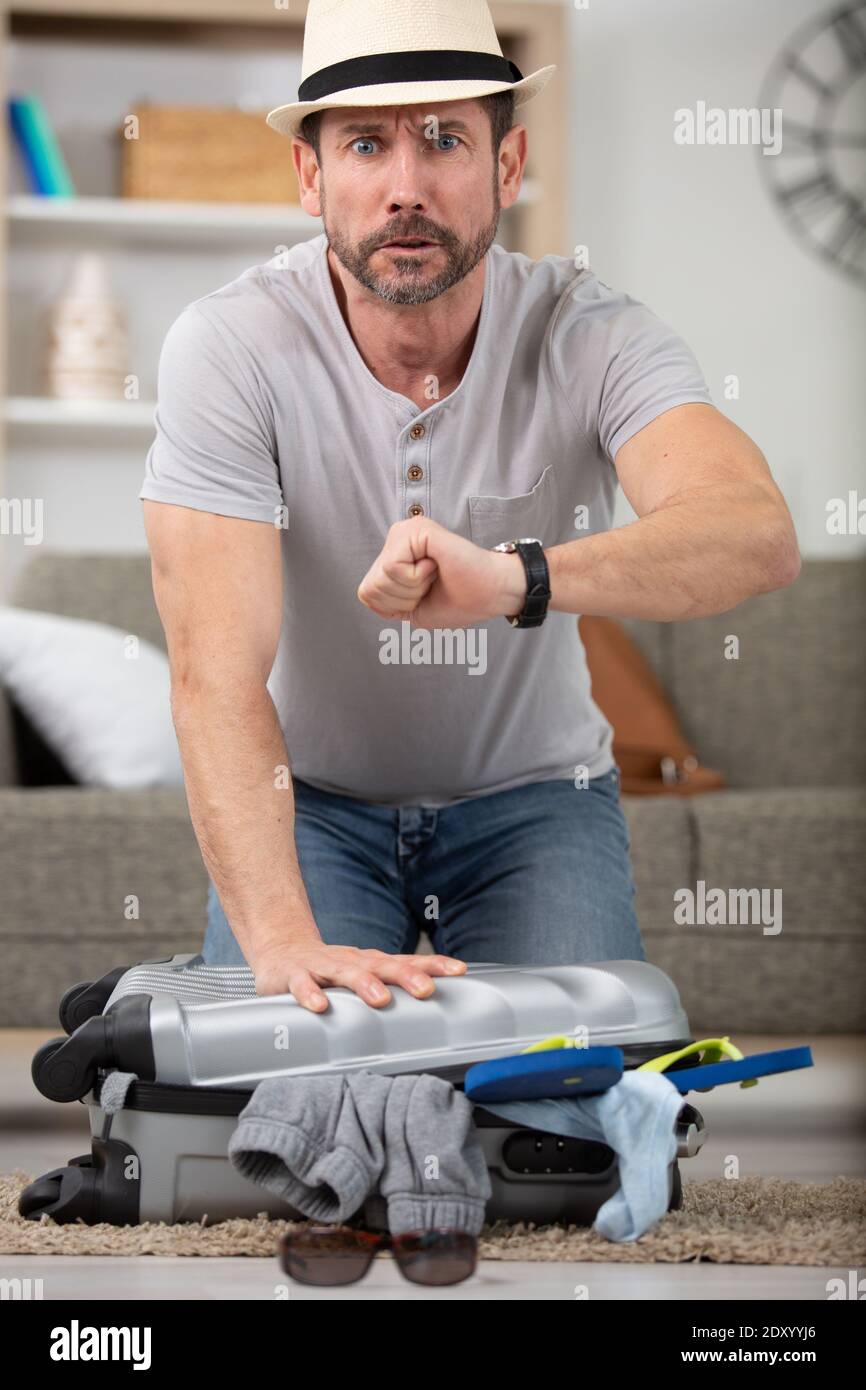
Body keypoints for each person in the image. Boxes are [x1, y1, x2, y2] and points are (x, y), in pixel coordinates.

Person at [139, 0, 800, 1013]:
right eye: (365, 144)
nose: (406, 187)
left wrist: (518, 578)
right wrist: (280, 943)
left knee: (561, 1121)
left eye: (444, 138)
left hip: (536, 806)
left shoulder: (592, 333)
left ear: (507, 162)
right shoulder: (228, 348)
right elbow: (211, 674)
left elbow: (753, 533)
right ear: (310, 175)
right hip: (310, 807)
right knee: (297, 1098)